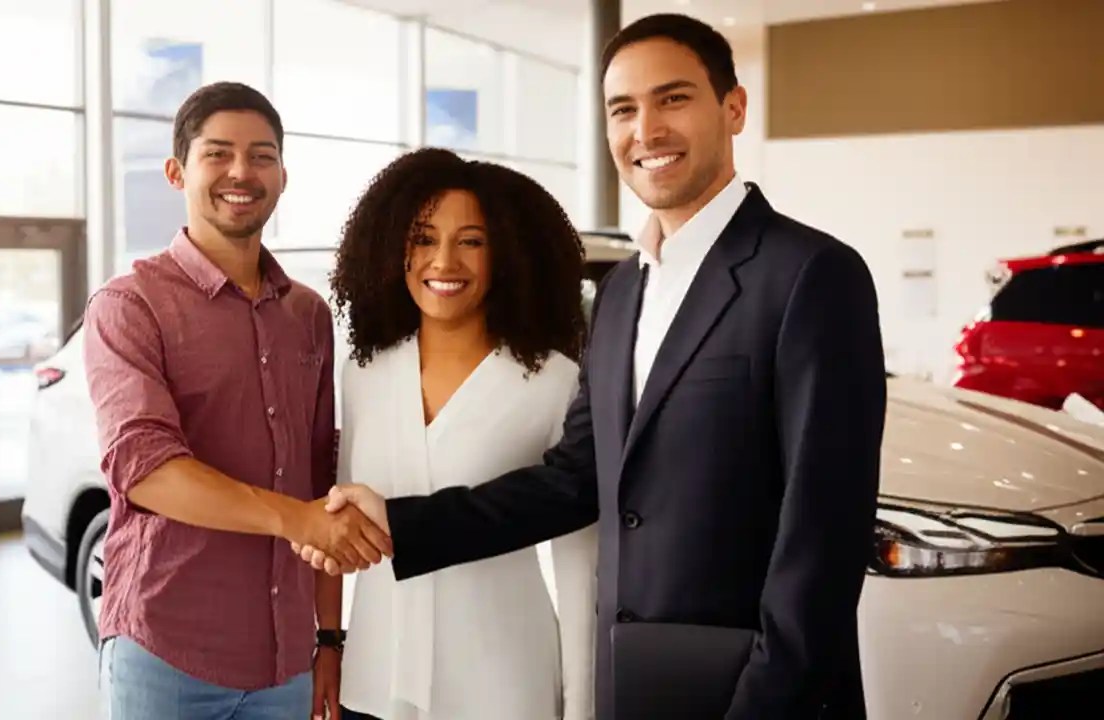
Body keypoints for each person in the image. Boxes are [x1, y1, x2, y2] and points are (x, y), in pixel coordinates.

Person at [299, 13, 887, 720]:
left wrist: (763, 702)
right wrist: (398, 522)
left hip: (756, 694)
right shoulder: (621, 296)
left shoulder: (811, 275)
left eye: (673, 99)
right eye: (623, 110)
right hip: (637, 685)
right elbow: (574, 481)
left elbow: (822, 537)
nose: (647, 130)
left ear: (733, 108)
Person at [82, 81, 392, 720]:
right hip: (165, 653)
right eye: (217, 153)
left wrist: (328, 640)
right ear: (177, 171)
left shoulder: (307, 314)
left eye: (262, 155)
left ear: (282, 176)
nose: (241, 172)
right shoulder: (130, 305)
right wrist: (295, 519)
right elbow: (146, 471)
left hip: (283, 662)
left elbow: (320, 482)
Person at [325, 148, 599, 720]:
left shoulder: (553, 381)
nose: (444, 260)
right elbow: (344, 534)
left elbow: (580, 570)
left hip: (502, 687)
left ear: (507, 255)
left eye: (471, 241)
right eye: (424, 238)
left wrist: (581, 709)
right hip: (375, 685)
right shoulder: (364, 373)